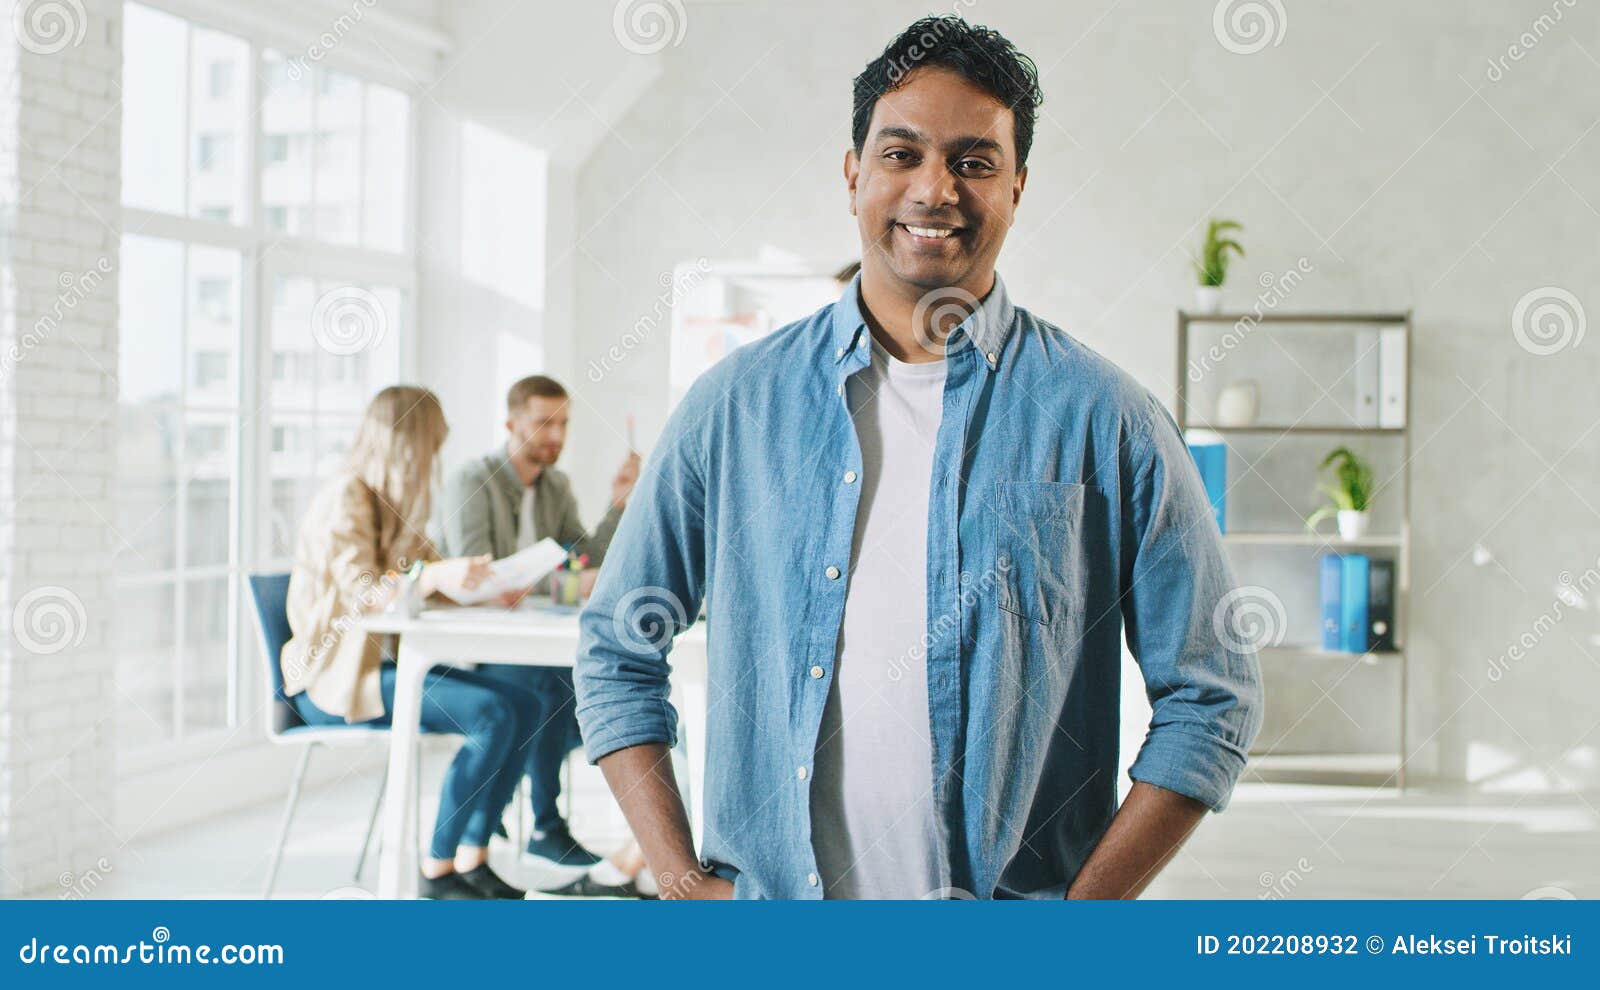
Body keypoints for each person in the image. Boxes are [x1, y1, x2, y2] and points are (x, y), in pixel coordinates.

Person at [574, 16, 1264, 900]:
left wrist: (1078, 920)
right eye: (902, 153)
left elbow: (1213, 694)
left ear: (1017, 185)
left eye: (975, 162)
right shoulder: (734, 408)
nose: (935, 189)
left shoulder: (1108, 419)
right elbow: (616, 649)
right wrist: (677, 880)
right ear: (853, 172)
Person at [281, 385, 537, 900]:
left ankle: (472, 857)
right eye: (431, 446)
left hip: (385, 670)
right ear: (406, 444)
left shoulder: (394, 504)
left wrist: (482, 588)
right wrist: (437, 576)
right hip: (336, 681)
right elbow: (364, 591)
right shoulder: (344, 497)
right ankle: (437, 870)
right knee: (492, 713)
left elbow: (428, 576)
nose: (433, 461)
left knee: (527, 704)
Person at [435, 374, 641, 879]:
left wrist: (619, 506)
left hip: (527, 638)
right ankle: (538, 823)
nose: (556, 435)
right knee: (542, 688)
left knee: (574, 686)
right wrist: (555, 580)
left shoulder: (556, 485)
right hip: (474, 642)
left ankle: (535, 821)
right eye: (543, 423)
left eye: (563, 424)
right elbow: (478, 573)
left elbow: (582, 559)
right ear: (510, 424)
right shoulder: (472, 479)